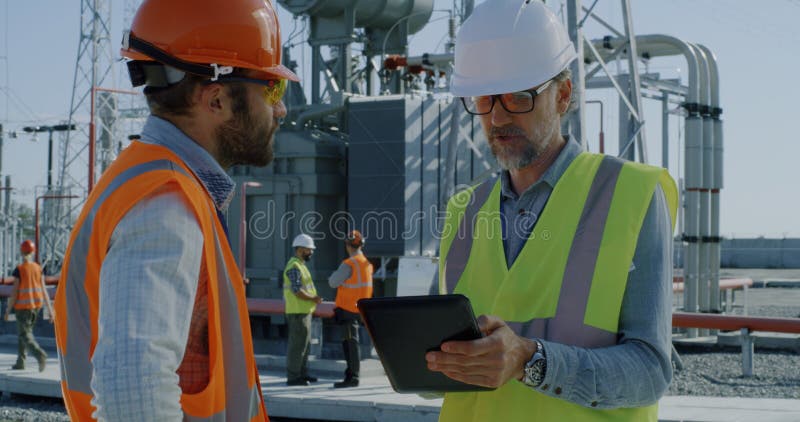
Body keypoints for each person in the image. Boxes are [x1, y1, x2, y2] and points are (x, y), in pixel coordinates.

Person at [426, 1, 678, 421]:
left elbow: (650, 372)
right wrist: (425, 360)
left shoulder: (631, 194)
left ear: (563, 96)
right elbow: (446, 373)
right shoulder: (464, 209)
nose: (499, 116)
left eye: (519, 97)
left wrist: (529, 360)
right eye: (484, 100)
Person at [54, 0, 297, 420]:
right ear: (216, 100)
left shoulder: (156, 181)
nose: (280, 109)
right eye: (272, 90)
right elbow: (132, 384)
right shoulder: (165, 201)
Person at [328, 229, 374, 388]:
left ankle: (352, 377)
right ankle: (351, 376)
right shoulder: (367, 264)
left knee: (350, 344)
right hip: (360, 309)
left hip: (347, 309)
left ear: (348, 245)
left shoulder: (349, 264)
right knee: (352, 343)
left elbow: (333, 282)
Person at [4, 240, 53, 372]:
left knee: (25, 335)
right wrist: (50, 310)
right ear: (33, 251)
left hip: (22, 308)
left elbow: (14, 293)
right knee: (23, 334)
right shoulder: (38, 269)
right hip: (36, 307)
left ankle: (39, 354)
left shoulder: (19, 270)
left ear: (21, 251)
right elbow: (44, 289)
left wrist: (8, 310)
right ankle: (21, 361)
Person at [283, 233, 323, 386]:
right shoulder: (294, 266)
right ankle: (293, 377)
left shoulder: (300, 266)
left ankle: (302, 374)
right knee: (297, 346)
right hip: (297, 312)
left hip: (303, 311)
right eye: (308, 250)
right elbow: (297, 290)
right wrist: (314, 299)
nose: (311, 252)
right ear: (299, 249)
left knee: (304, 346)